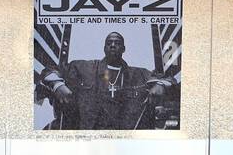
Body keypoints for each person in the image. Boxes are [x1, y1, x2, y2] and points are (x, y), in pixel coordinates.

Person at [39, 31, 176, 130]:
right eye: (109, 43)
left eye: (117, 43)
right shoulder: (84, 68)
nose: (112, 45)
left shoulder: (138, 74)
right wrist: (57, 84)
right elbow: (50, 70)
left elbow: (168, 79)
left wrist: (160, 84)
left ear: (123, 49)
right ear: (104, 48)